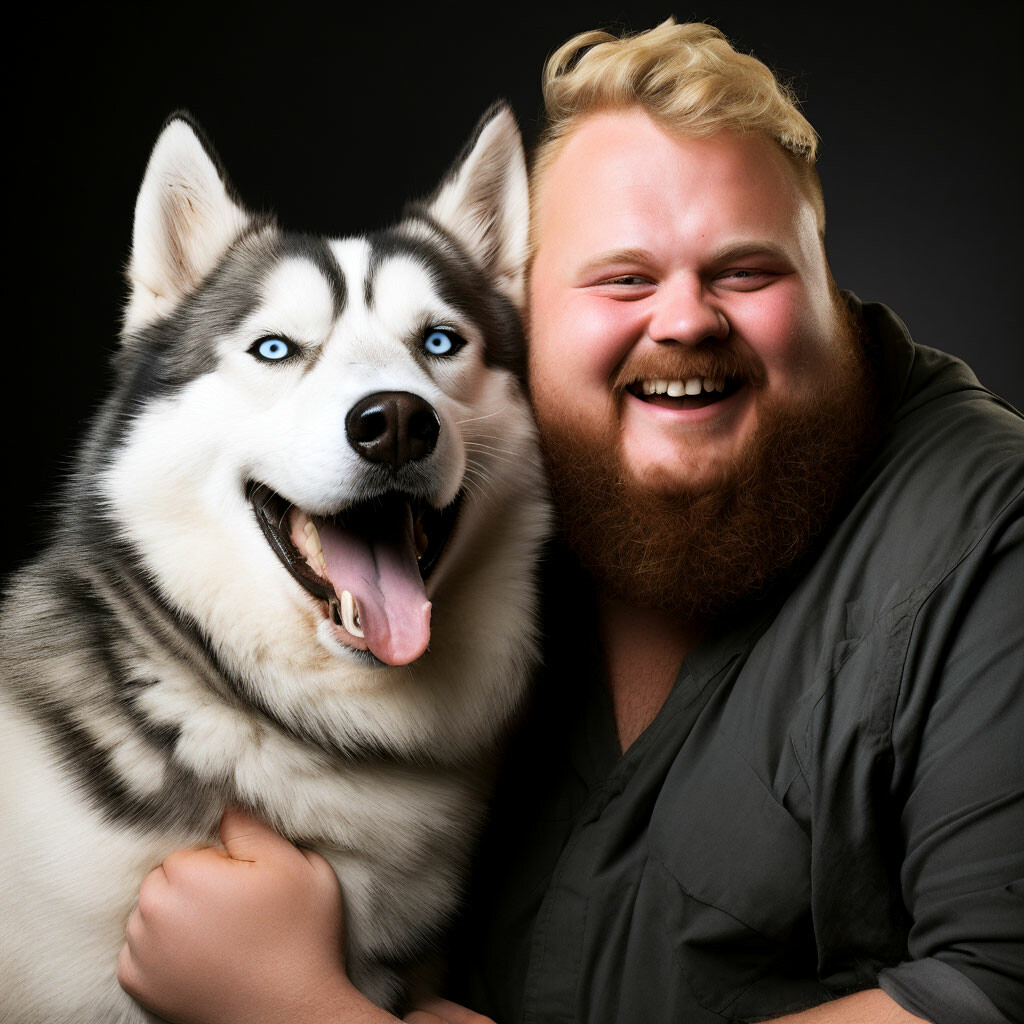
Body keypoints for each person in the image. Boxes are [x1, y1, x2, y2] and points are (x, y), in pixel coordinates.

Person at [116, 20, 1024, 1024]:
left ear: (830, 291)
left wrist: (300, 1008)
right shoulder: (477, 492)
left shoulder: (990, 528)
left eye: (745, 271)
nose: (683, 319)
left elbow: (991, 992)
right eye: (623, 278)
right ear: (528, 313)